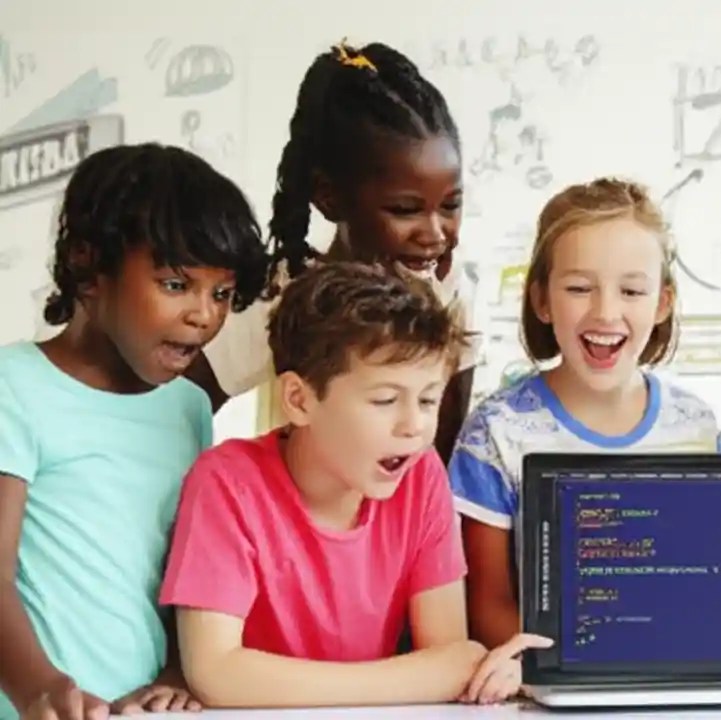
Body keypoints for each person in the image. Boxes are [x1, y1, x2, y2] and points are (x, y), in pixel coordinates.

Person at [160, 262, 548, 708]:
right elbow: (216, 674)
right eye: (385, 400)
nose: (414, 426)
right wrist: (423, 676)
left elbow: (448, 655)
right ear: (299, 400)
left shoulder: (420, 478)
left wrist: (449, 670)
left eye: (427, 399)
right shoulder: (227, 483)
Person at [0, 143, 268, 720]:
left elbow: (183, 569)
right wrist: (40, 689)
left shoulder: (189, 408)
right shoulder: (13, 387)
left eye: (221, 293)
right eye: (176, 285)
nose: (204, 314)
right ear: (88, 268)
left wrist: (176, 674)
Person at [449, 178, 721, 649]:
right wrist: (583, 663)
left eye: (632, 292)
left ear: (662, 303)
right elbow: (487, 608)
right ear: (541, 300)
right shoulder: (495, 434)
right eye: (579, 287)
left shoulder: (696, 425)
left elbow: (711, 579)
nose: (605, 312)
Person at [187, 39, 479, 461]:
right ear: (329, 197)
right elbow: (179, 405)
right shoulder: (283, 293)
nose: (435, 233)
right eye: (404, 209)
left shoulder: (450, 292)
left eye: (450, 204)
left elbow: (440, 460)